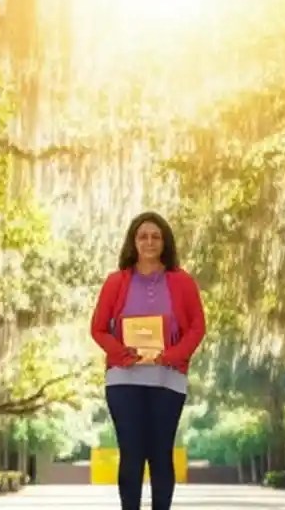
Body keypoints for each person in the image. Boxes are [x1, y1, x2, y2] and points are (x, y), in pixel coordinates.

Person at [90, 211, 206, 510]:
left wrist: (172, 355)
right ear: (133, 241)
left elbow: (197, 327)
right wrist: (121, 354)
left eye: (156, 236)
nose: (150, 242)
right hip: (123, 379)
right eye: (143, 236)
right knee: (131, 454)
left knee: (160, 454)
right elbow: (98, 328)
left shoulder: (182, 282)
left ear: (165, 242)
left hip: (168, 379)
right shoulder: (116, 282)